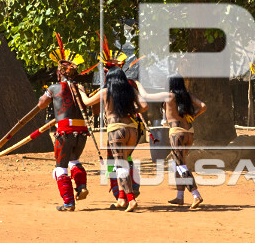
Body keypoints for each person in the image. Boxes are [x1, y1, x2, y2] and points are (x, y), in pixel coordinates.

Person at [78, 66, 148, 212]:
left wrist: (82, 91)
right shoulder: (131, 91)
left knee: (120, 165)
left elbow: (87, 102)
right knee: (123, 163)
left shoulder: (105, 91)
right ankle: (121, 198)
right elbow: (144, 106)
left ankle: (131, 200)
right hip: (132, 130)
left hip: (116, 130)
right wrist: (133, 111)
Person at [36, 34, 91, 212]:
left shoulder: (54, 88)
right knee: (74, 160)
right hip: (81, 131)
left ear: (59, 73)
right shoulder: (81, 88)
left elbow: (41, 104)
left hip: (65, 132)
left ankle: (68, 203)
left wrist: (45, 96)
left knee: (60, 167)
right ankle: (81, 186)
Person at [140, 74, 207, 209]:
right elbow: (203, 106)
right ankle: (179, 197)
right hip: (189, 132)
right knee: (178, 164)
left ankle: (196, 194)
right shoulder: (187, 96)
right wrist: (193, 116)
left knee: (181, 165)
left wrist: (137, 84)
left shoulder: (169, 96)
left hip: (177, 132)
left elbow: (146, 95)